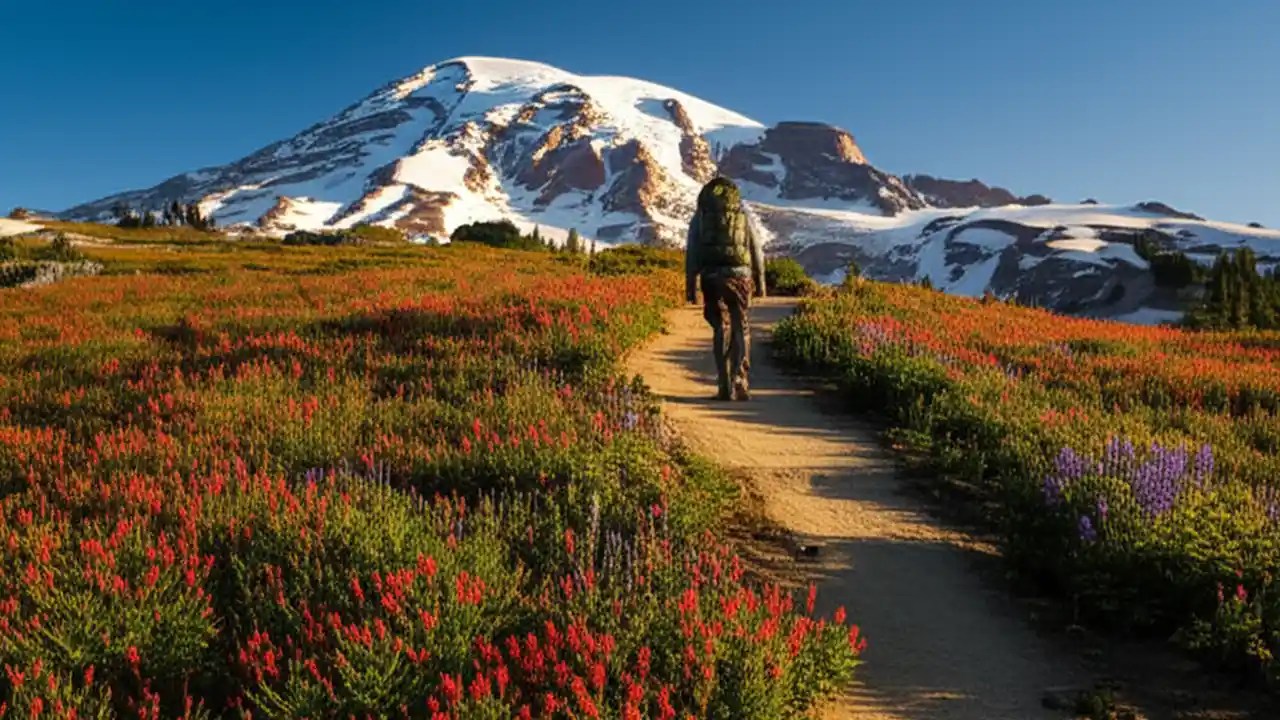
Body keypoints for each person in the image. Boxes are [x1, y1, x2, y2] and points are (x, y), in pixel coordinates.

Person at [685, 176, 766, 401]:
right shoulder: (742, 214)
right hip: (741, 277)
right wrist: (760, 282)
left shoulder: (700, 217)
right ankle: (740, 377)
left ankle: (723, 383)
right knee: (741, 325)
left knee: (720, 326)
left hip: (712, 276)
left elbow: (692, 251)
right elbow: (756, 249)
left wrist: (690, 285)